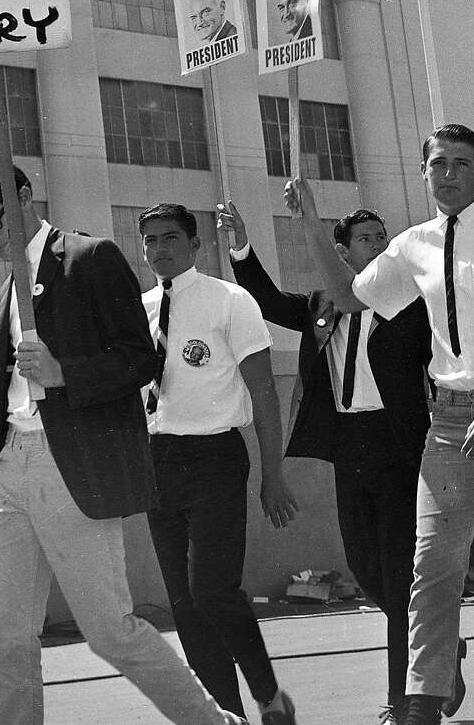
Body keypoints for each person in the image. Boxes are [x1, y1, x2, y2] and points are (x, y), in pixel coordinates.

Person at [0, 156, 250, 725]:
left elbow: (142, 356)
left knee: (110, 629)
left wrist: (67, 373)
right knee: (7, 634)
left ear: (24, 199)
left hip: (73, 465)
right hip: (11, 465)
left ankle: (213, 721)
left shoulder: (90, 258)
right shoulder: (7, 285)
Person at [290, 122, 474, 725]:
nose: (450, 173)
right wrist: (309, 225)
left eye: (463, 163)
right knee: (431, 569)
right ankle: (422, 705)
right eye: (439, 163)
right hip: (450, 422)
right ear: (424, 172)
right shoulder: (412, 245)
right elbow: (352, 299)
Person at [220, 197, 431, 724]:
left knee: (400, 575)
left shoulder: (405, 300)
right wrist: (241, 244)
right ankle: (433, 644)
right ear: (341, 252)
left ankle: (404, 699)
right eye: (367, 239)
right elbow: (265, 299)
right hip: (349, 446)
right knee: (364, 567)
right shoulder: (321, 304)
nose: (380, 245)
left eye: (383, 237)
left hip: (398, 446)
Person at [136, 204, 299, 724]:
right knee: (184, 604)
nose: (159, 249)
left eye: (170, 238)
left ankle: (269, 695)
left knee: (213, 591)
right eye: (150, 240)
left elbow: (264, 393)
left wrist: (272, 475)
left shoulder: (230, 300)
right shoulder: (137, 310)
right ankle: (224, 716)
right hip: (157, 462)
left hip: (215, 458)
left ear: (195, 245)